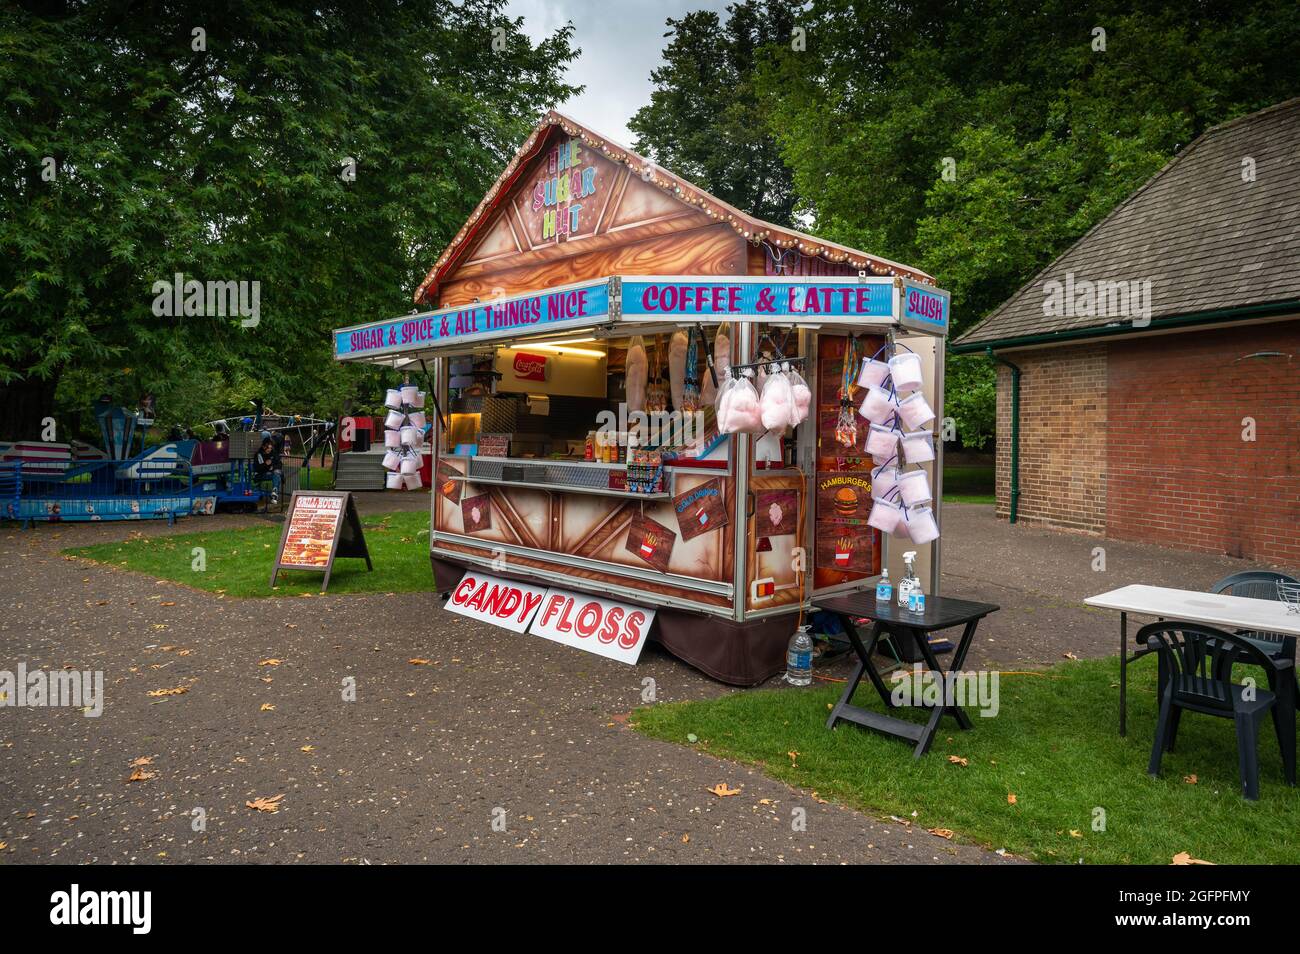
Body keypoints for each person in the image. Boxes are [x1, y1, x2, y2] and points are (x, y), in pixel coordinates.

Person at [254, 436, 283, 504]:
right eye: (268, 448)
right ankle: (274, 495)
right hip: (260, 474)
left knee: (276, 474)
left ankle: (274, 493)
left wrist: (273, 467)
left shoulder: (273, 453)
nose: (269, 450)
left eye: (270, 448)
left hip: (271, 473)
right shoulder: (259, 454)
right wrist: (266, 465)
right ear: (264, 447)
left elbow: (279, 463)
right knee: (277, 476)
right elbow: (258, 468)